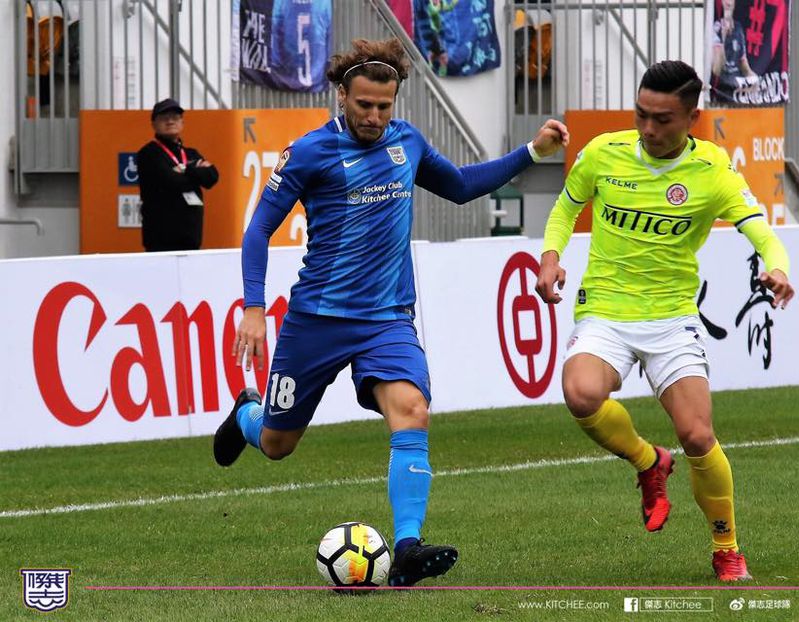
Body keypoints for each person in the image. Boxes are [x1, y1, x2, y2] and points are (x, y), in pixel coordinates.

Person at [213, 37, 568, 587]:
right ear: (341, 96)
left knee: (413, 410)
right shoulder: (308, 153)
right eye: (363, 106)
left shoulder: (408, 142)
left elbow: (461, 186)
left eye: (384, 106)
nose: (375, 117)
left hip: (387, 319)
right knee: (279, 444)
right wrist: (254, 308)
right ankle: (246, 414)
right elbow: (259, 228)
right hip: (317, 322)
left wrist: (532, 151)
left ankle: (406, 549)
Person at [535, 60, 794, 582]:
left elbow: (758, 229)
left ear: (692, 117)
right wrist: (550, 256)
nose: (648, 128)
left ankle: (727, 549)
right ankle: (648, 461)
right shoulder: (604, 153)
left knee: (698, 436)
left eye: (662, 119)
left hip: (673, 317)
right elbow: (566, 209)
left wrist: (778, 266)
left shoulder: (712, 171)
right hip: (606, 308)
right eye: (641, 115)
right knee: (581, 393)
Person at [136, 98, 219, 252]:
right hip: (160, 240)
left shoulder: (190, 153)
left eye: (175, 117)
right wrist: (195, 171)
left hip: (191, 239)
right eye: (164, 118)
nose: (170, 121)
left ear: (182, 122)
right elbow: (171, 181)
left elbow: (212, 177)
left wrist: (185, 169)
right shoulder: (149, 153)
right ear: (153, 124)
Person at [710, 0, 760, 103]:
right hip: (722, 92)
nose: (728, 2)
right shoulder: (715, 28)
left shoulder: (738, 28)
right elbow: (716, 70)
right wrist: (723, 38)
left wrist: (755, 79)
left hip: (738, 91)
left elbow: (744, 66)